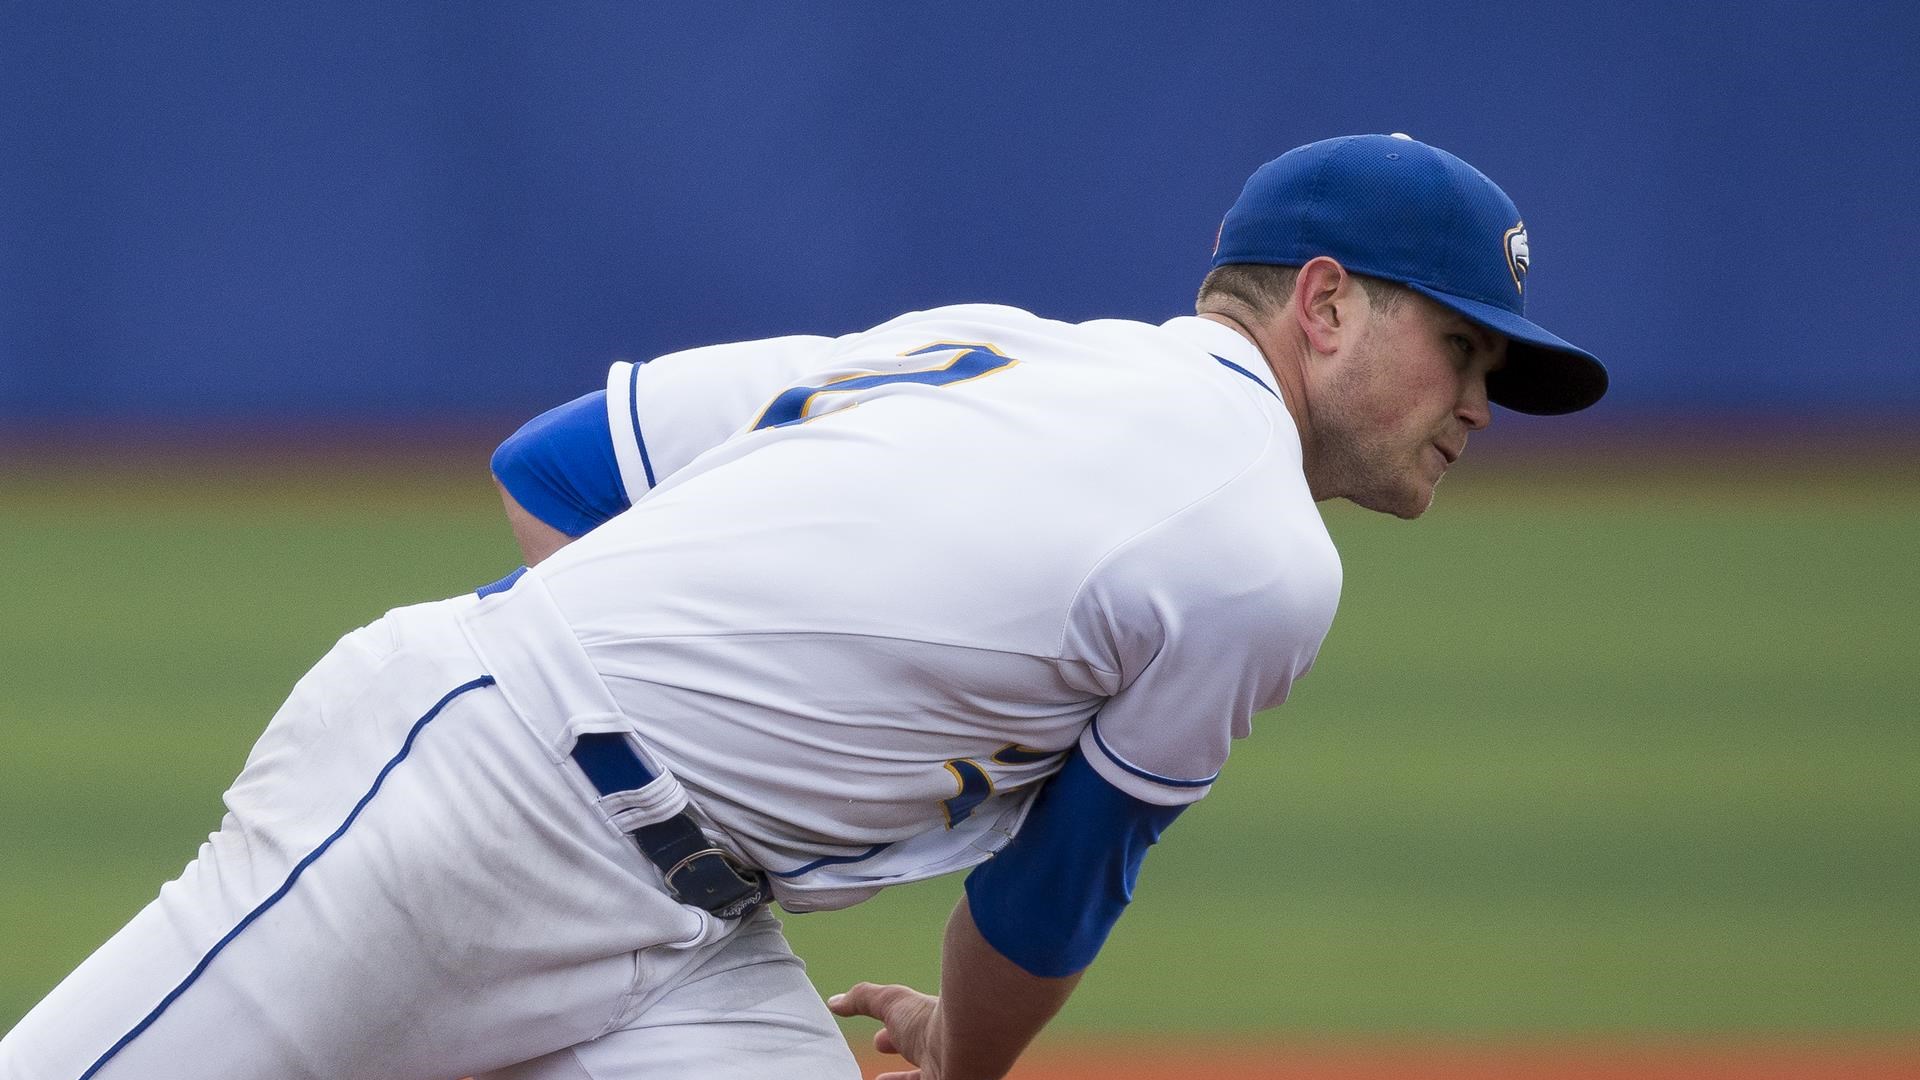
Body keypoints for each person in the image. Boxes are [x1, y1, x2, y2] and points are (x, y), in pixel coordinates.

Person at [1, 133, 1606, 1080]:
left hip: (684, 930)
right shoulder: (1264, 550)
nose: (1482, 398)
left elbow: (560, 466)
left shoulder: (999, 347)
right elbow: (1055, 893)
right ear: (1324, 304)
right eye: (1463, 347)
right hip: (475, 806)